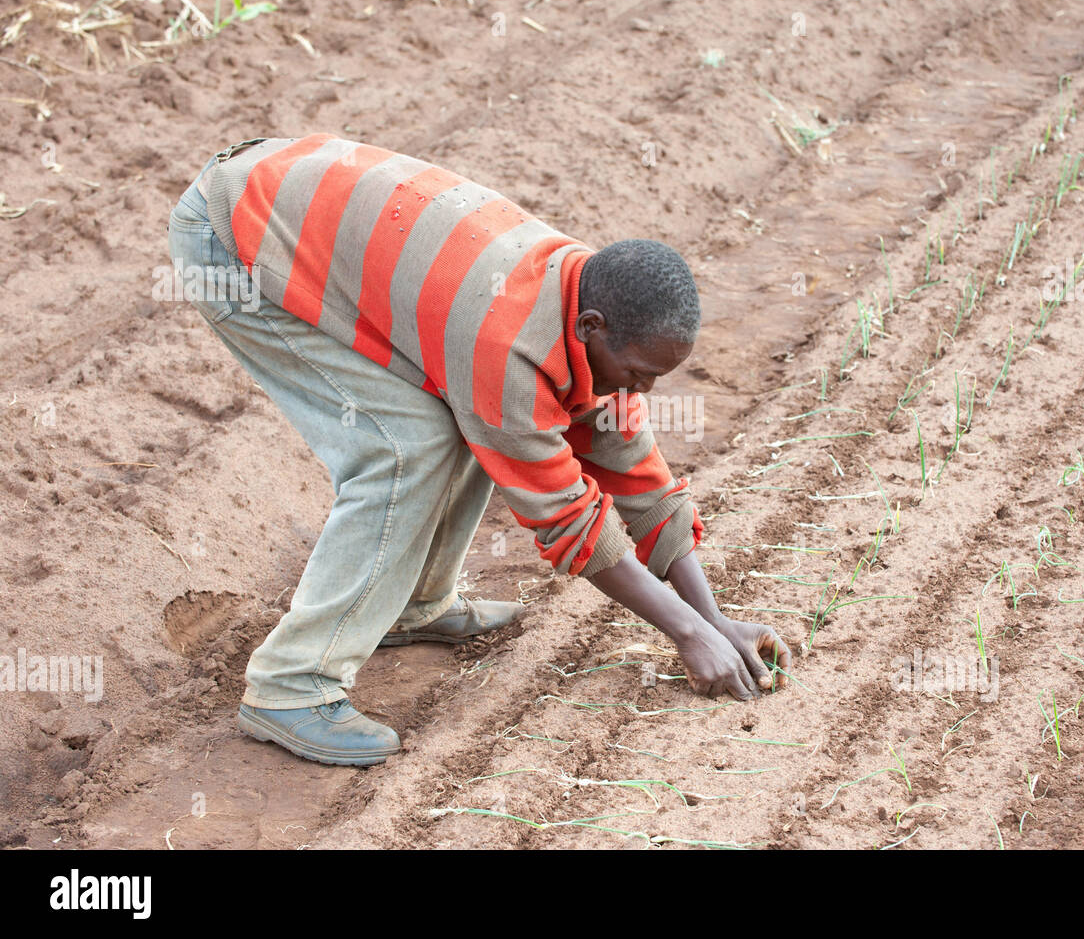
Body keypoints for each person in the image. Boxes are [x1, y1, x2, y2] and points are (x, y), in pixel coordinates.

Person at [166, 134, 791, 767]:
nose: (642, 391)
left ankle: (415, 605)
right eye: (636, 373)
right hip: (237, 236)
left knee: (459, 420)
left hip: (305, 200)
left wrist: (715, 620)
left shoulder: (584, 302)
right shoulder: (508, 344)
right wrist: (685, 634)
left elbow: (635, 471)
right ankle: (291, 685)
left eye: (656, 379)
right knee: (406, 447)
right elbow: (568, 519)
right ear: (591, 327)